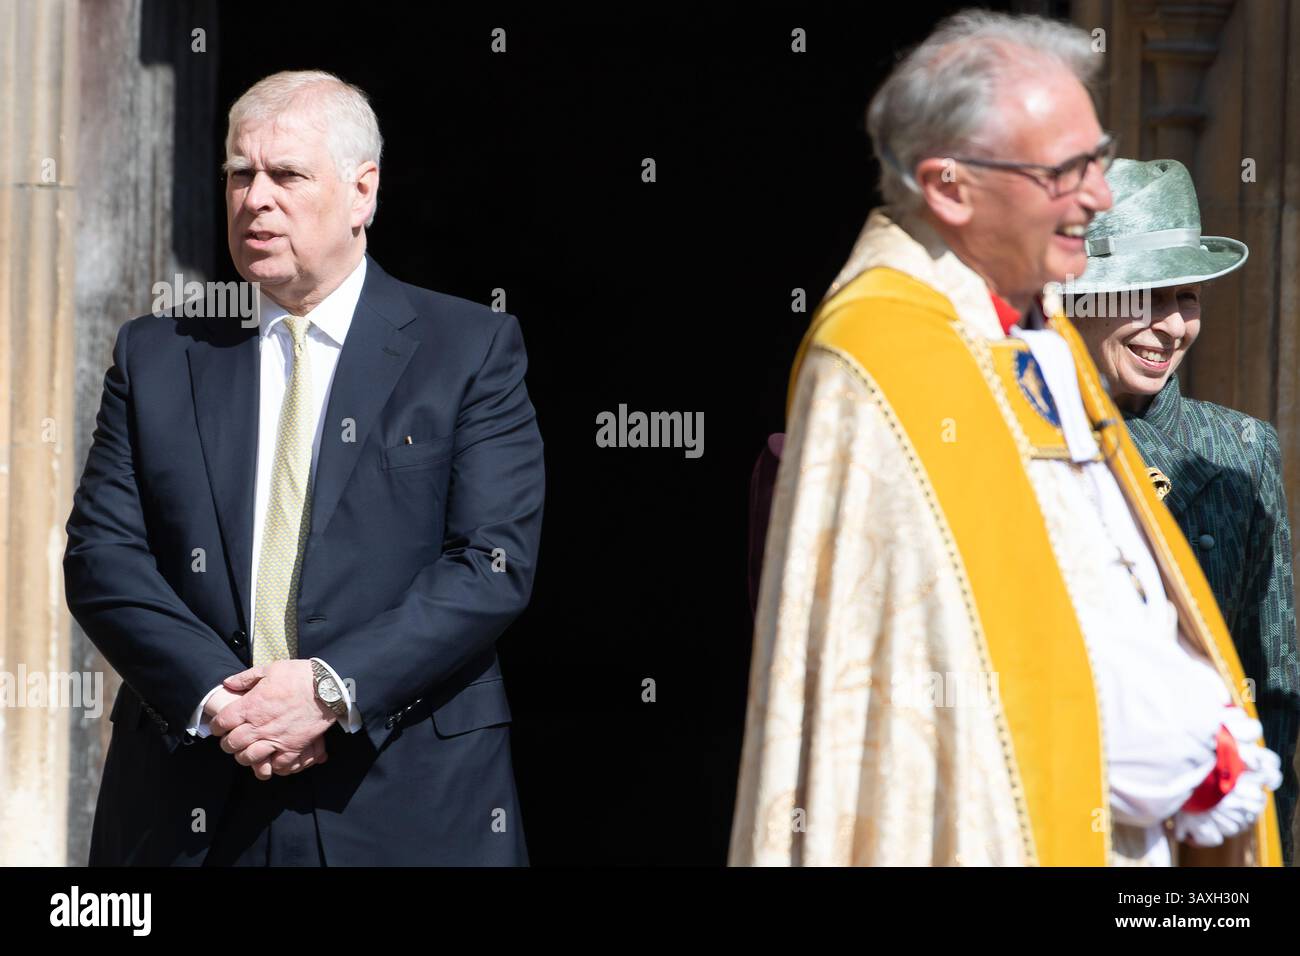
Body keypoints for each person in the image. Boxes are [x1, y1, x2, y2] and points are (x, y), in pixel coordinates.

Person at [729, 10, 1282, 866]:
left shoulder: (1024, 335)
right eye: (1066, 171)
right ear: (951, 188)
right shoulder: (887, 352)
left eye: (1095, 165)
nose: (1098, 199)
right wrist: (1193, 759)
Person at [64, 70, 544, 865]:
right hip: (191, 798)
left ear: (363, 193)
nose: (256, 198)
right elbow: (103, 558)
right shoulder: (156, 356)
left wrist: (330, 687)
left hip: (404, 799)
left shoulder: (469, 351)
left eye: (286, 174)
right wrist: (227, 703)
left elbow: (490, 565)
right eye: (239, 174)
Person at [1070, 157, 1300, 863]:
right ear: (1078, 299)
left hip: (1199, 829)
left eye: (1189, 298)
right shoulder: (1027, 441)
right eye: (1146, 295)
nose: (1170, 327)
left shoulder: (1242, 449)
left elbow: (1276, 682)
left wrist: (1261, 847)